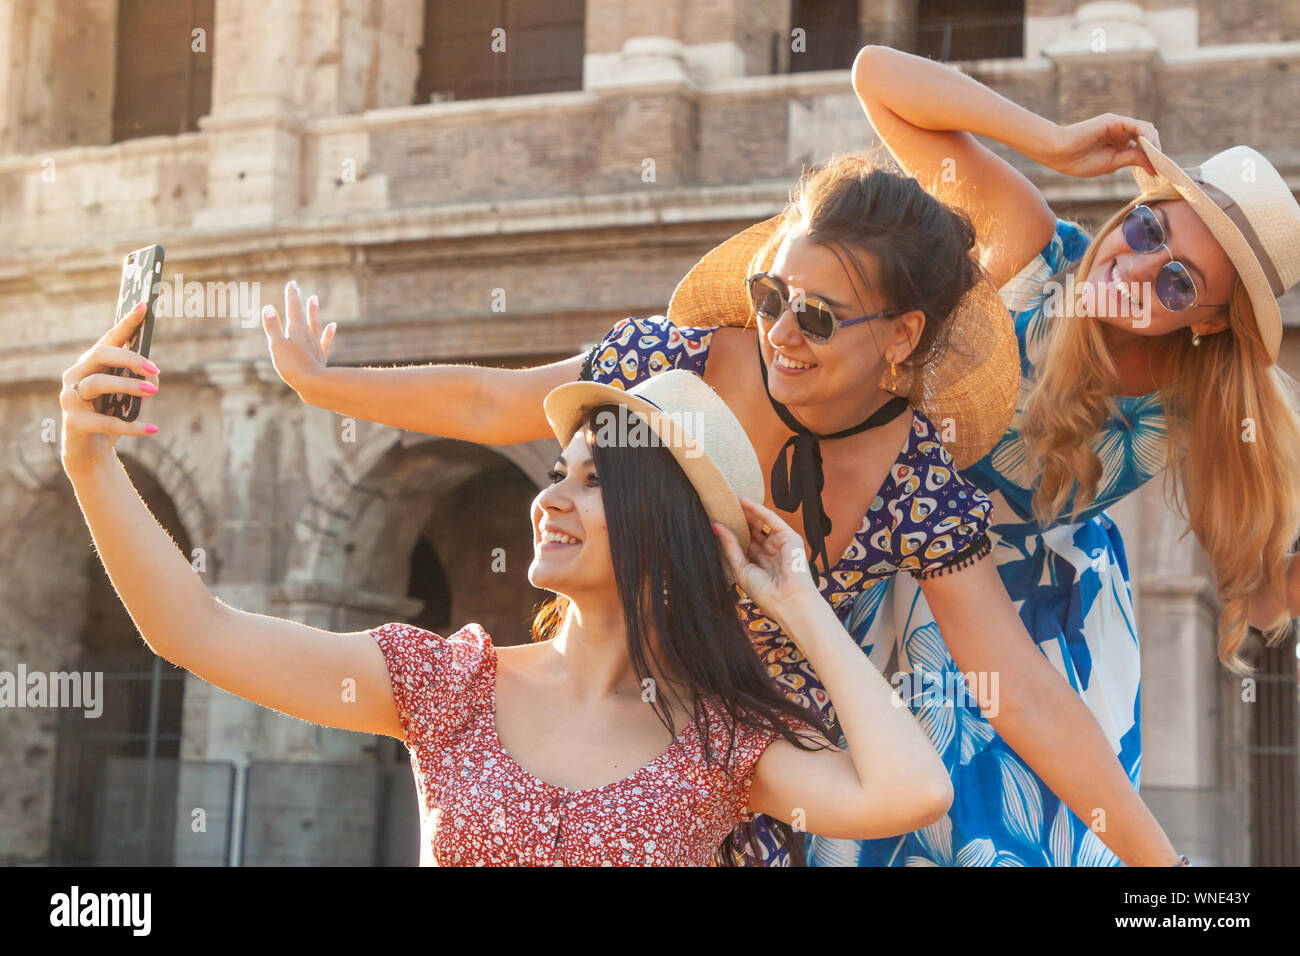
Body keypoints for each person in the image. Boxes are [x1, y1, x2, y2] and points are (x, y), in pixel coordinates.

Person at [259, 146, 1187, 867]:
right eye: (773, 295)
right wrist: (324, 384)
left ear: (903, 339)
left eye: (819, 317)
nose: (782, 333)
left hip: (748, 772)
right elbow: (487, 405)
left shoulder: (917, 482)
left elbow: (1024, 695)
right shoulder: (687, 362)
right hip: (613, 728)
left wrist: (1170, 873)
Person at [59, 321, 955, 866]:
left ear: (668, 529)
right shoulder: (448, 687)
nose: (548, 500)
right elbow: (195, 630)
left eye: (594, 482)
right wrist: (90, 462)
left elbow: (911, 792)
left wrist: (794, 599)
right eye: (556, 474)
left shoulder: (722, 746)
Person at [805, 44, 1300, 867]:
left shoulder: (1215, 395)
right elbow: (875, 75)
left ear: (1208, 323)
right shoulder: (1035, 254)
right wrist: (1051, 141)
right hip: (906, 570)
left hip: (1053, 616)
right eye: (1148, 227)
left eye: (1176, 284)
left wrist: (1268, 576)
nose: (1136, 266)